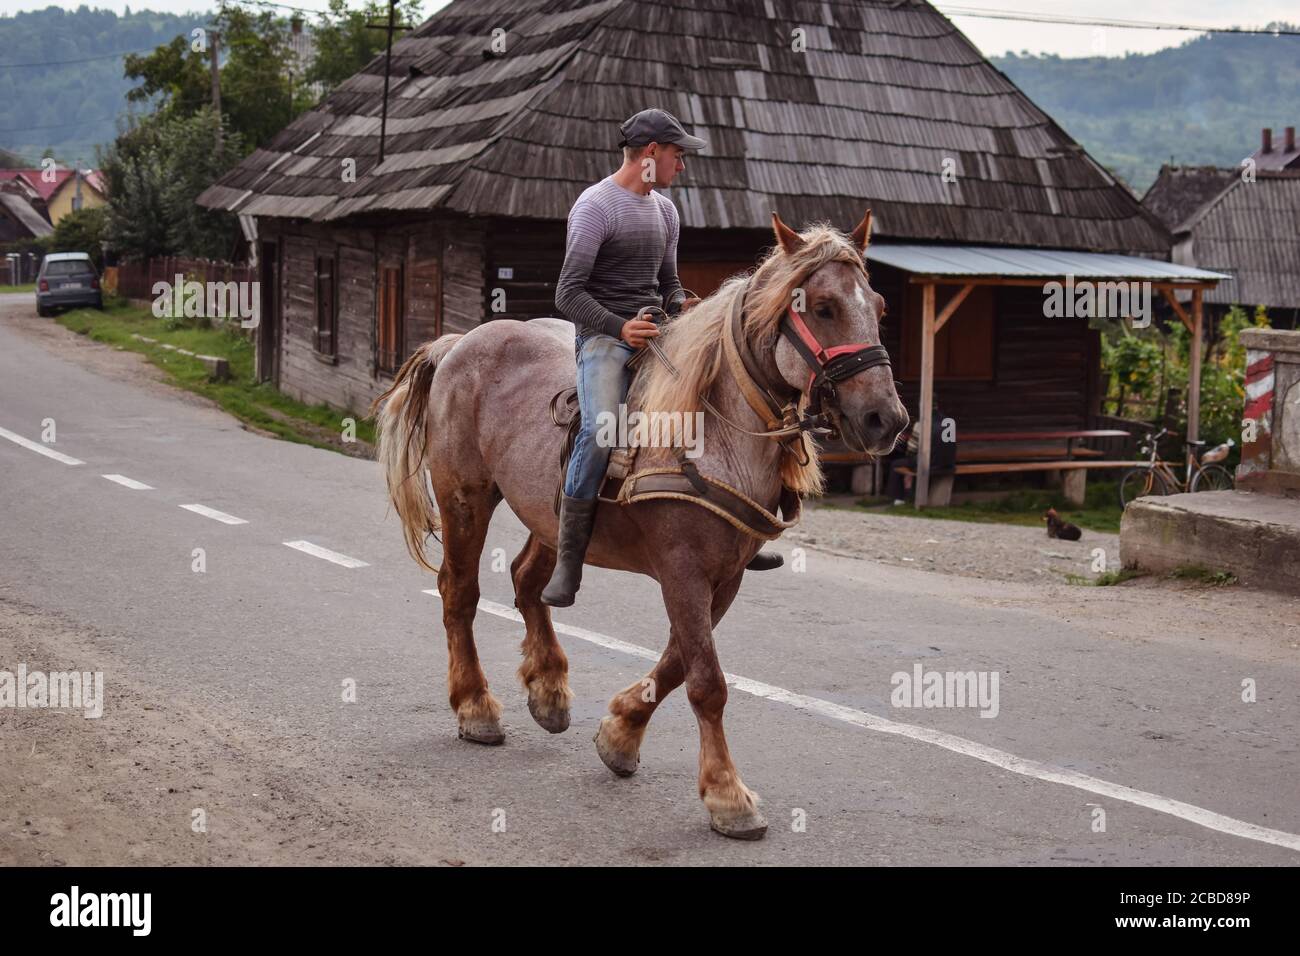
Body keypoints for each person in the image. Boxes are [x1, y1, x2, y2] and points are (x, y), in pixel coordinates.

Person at [542, 108, 780, 607]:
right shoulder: (595, 207)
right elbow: (567, 293)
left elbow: (667, 284)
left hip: (659, 331)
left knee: (723, 399)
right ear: (651, 153)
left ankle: (740, 528)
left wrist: (681, 308)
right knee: (602, 425)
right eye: (678, 154)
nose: (682, 165)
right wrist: (617, 326)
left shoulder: (666, 211)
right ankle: (569, 555)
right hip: (604, 337)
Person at [885, 405, 956, 504]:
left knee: (896, 464)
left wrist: (909, 454)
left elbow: (912, 448)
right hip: (948, 464)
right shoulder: (949, 421)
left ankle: (899, 499)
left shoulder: (922, 422)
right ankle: (910, 494)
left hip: (928, 464)